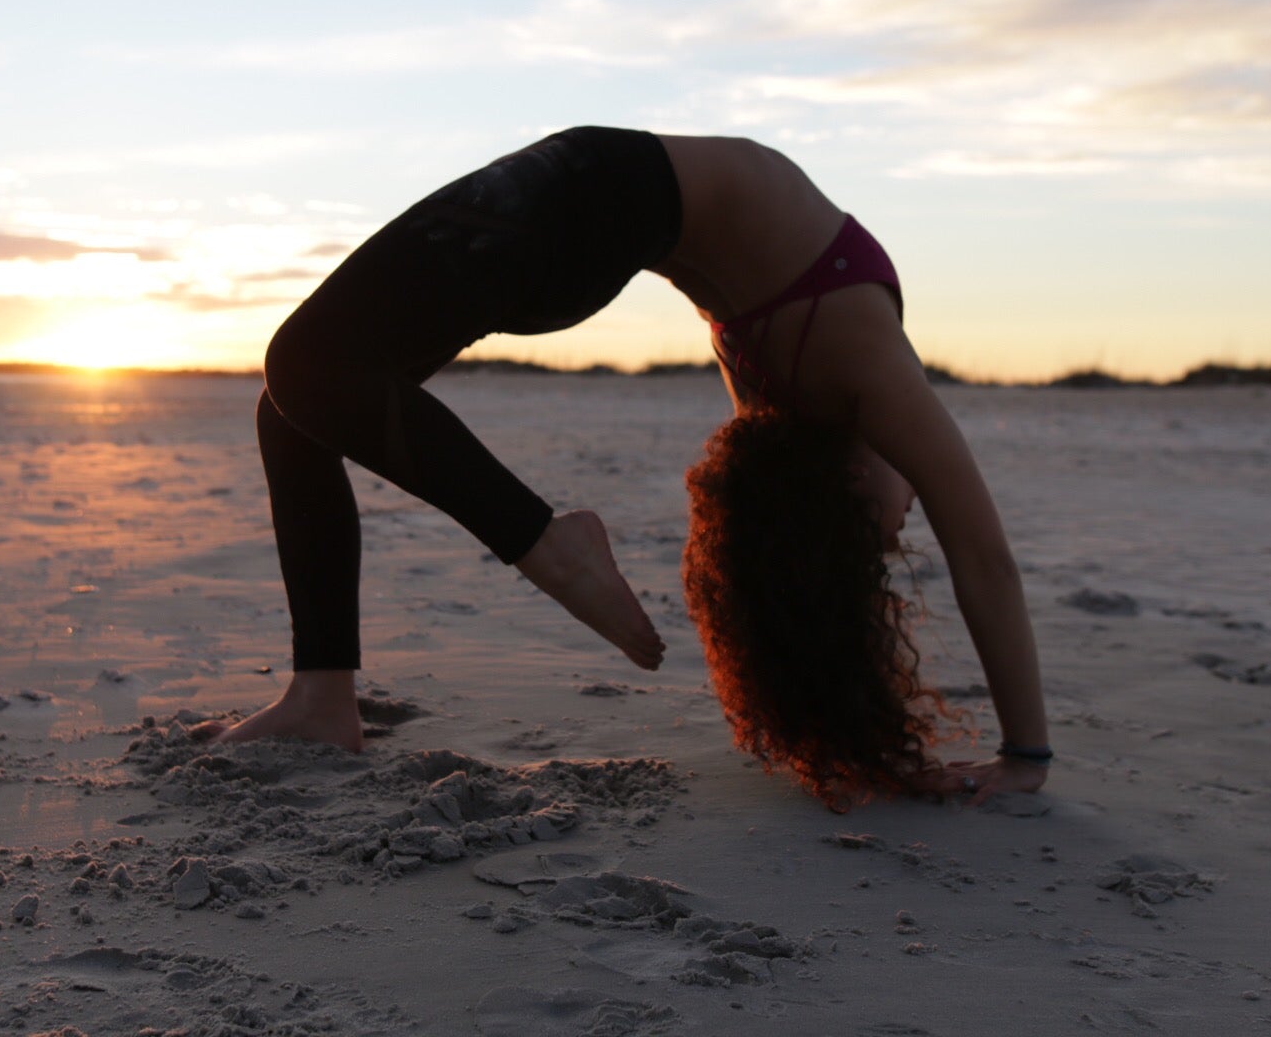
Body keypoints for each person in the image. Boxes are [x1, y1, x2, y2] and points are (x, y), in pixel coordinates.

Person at [192, 126, 1049, 808]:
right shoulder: (834, 387)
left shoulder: (852, 376)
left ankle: (544, 546)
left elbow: (983, 558)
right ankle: (323, 695)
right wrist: (1016, 749)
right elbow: (979, 554)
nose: (897, 531)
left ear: (838, 484)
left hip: (595, 201)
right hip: (599, 224)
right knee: (299, 399)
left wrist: (1025, 758)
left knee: (305, 371)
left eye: (870, 537)